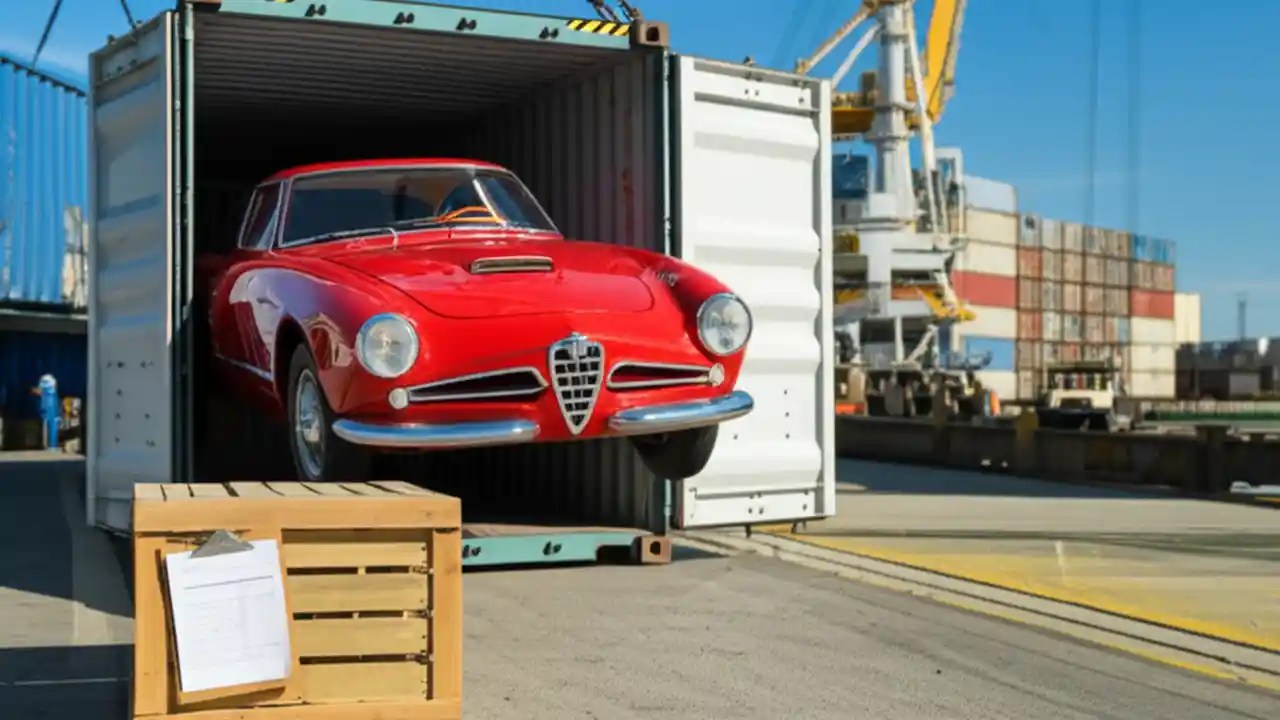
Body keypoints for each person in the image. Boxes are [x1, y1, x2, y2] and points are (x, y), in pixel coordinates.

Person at [30, 374, 59, 452]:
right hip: (51, 405)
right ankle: (52, 445)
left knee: (49, 424)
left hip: (47, 405)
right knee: (52, 425)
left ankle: (50, 445)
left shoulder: (45, 384)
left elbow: (39, 392)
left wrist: (32, 390)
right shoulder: (52, 388)